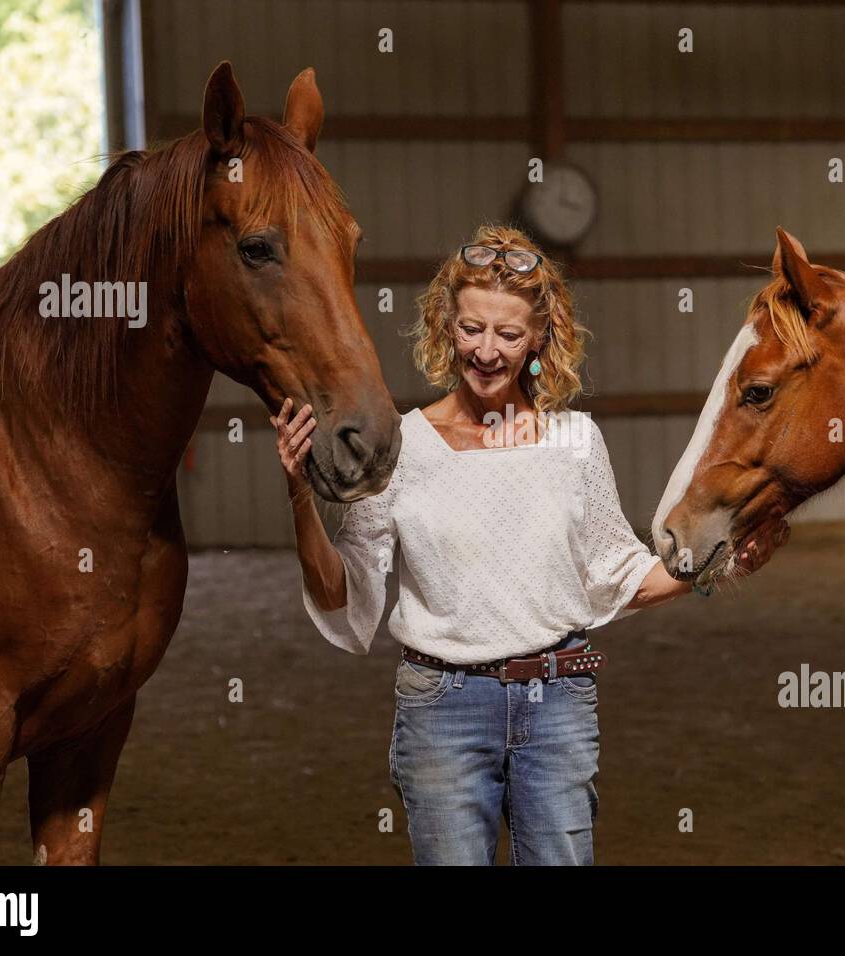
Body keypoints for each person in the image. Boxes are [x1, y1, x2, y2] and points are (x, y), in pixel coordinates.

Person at [273, 224, 779, 865]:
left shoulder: (576, 443)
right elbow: (340, 593)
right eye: (471, 328)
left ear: (539, 338)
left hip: (558, 703)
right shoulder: (402, 446)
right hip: (442, 712)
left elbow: (623, 579)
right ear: (445, 327)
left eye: (508, 334)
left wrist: (723, 562)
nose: (486, 350)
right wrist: (298, 492)